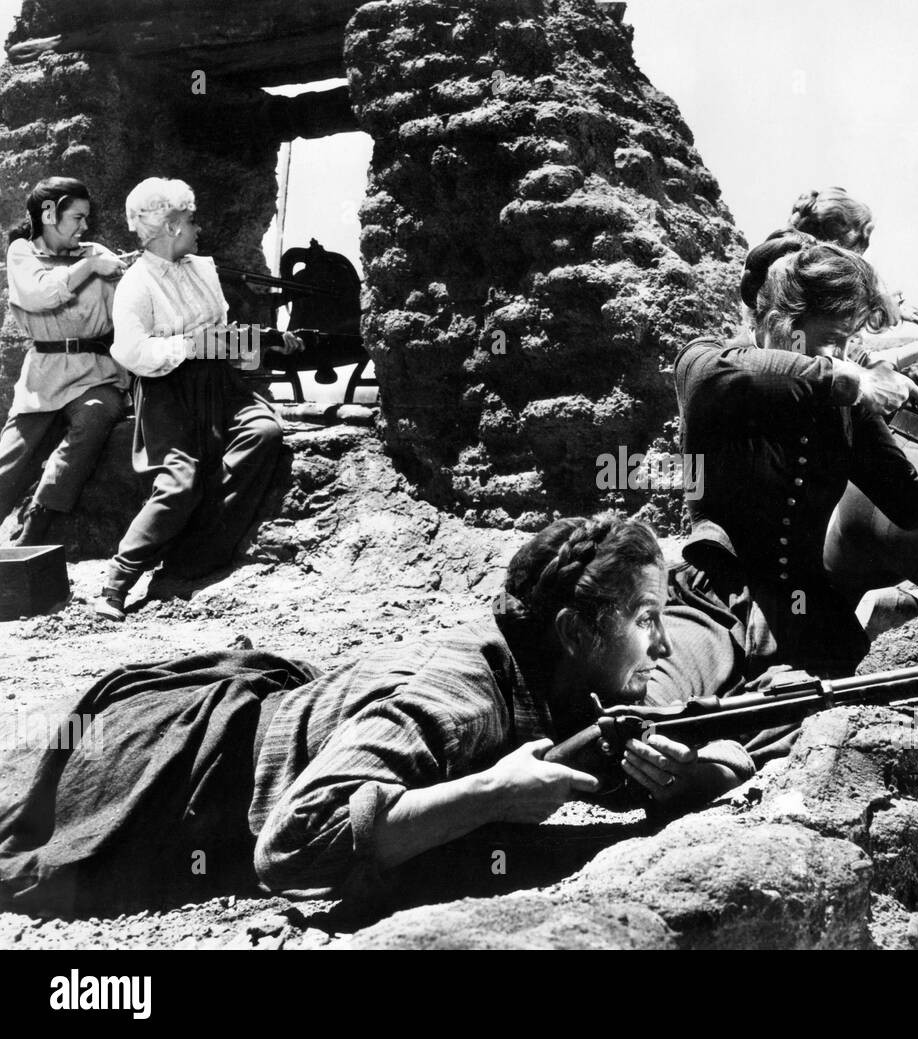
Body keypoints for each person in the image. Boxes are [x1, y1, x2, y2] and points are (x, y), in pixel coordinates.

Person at [0, 513, 755, 914]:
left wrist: (682, 778)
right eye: (646, 618)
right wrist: (491, 793)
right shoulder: (459, 700)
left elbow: (715, 748)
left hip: (262, 717)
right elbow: (290, 849)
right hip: (177, 768)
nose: (660, 643)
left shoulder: (568, 679)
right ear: (576, 631)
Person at [667, 239, 918, 691]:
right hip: (713, 601)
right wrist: (852, 380)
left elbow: (910, 502)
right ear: (776, 324)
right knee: (653, 710)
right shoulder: (706, 362)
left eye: (849, 345)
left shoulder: (847, 401)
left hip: (807, 612)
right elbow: (716, 379)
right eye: (830, 345)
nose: (843, 359)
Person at [93, 178, 305, 621]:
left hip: (220, 384)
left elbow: (221, 337)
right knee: (179, 481)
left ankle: (192, 559)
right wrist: (189, 345)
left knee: (264, 432)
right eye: (190, 220)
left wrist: (267, 344)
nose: (197, 227)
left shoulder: (203, 269)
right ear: (170, 227)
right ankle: (118, 578)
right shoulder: (137, 284)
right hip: (166, 390)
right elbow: (133, 354)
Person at [0, 177, 128, 545]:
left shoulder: (94, 252)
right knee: (10, 462)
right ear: (48, 214)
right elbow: (41, 294)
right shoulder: (21, 251)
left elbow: (132, 307)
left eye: (87, 218)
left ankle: (37, 522)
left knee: (97, 415)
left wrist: (128, 273)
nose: (85, 226)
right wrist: (91, 267)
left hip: (94, 373)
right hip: (42, 377)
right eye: (77, 217)